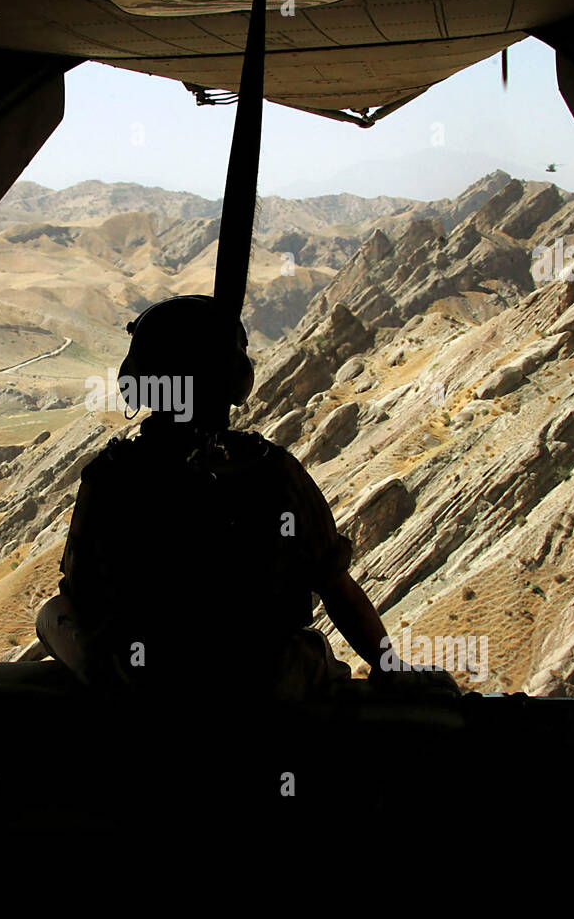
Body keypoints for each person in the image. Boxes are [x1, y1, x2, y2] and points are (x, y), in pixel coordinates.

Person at [36, 294, 458, 699]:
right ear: (235, 380)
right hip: (266, 680)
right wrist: (390, 667)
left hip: (153, 685)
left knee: (52, 614)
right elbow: (334, 585)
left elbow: (82, 592)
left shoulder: (113, 475)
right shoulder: (272, 468)